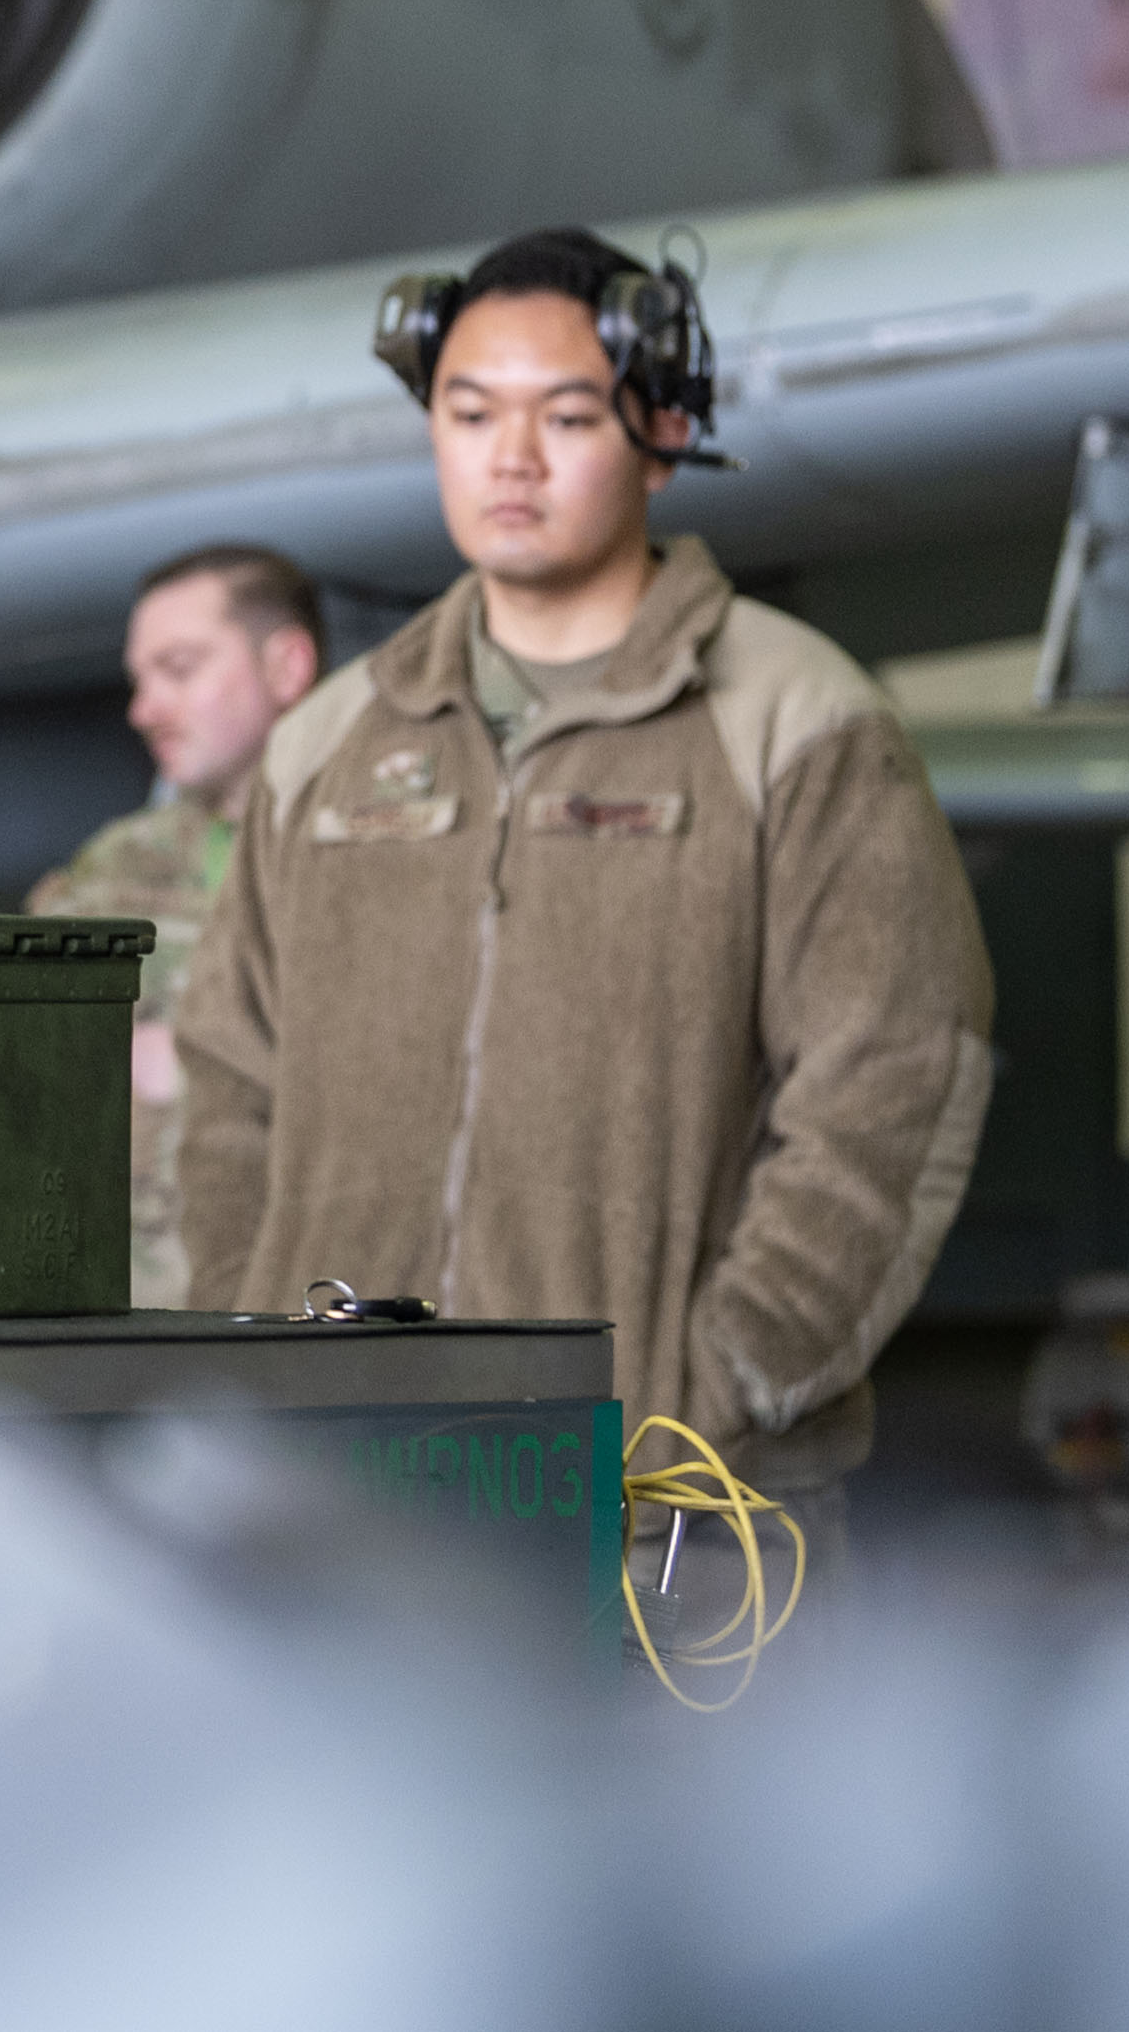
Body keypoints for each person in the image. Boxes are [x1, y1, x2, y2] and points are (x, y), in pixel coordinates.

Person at [175, 226, 993, 1588]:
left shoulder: (794, 723)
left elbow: (893, 1079)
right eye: (468, 412)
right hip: (346, 1509)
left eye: (563, 416)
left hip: (676, 1518)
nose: (509, 458)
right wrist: (239, 1348)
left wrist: (715, 1380)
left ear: (660, 431)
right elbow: (225, 1081)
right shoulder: (328, 744)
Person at [25, 545, 322, 1310]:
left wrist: (186, 1060)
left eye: (180, 669)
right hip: (111, 1314)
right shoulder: (117, 865)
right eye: (140, 679)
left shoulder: (373, 857)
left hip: (296, 1311)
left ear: (287, 667)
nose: (144, 709)